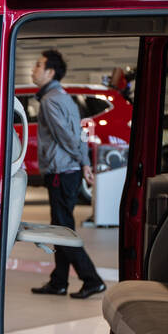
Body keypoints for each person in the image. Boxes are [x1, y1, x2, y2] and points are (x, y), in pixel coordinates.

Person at [29, 49, 106, 299]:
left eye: (38, 66)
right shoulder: (63, 97)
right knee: (60, 228)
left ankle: (91, 279)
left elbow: (67, 136)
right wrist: (84, 163)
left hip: (61, 172)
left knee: (63, 229)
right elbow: (79, 134)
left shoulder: (51, 100)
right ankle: (59, 281)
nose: (33, 70)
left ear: (50, 72)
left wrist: (83, 161)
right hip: (68, 170)